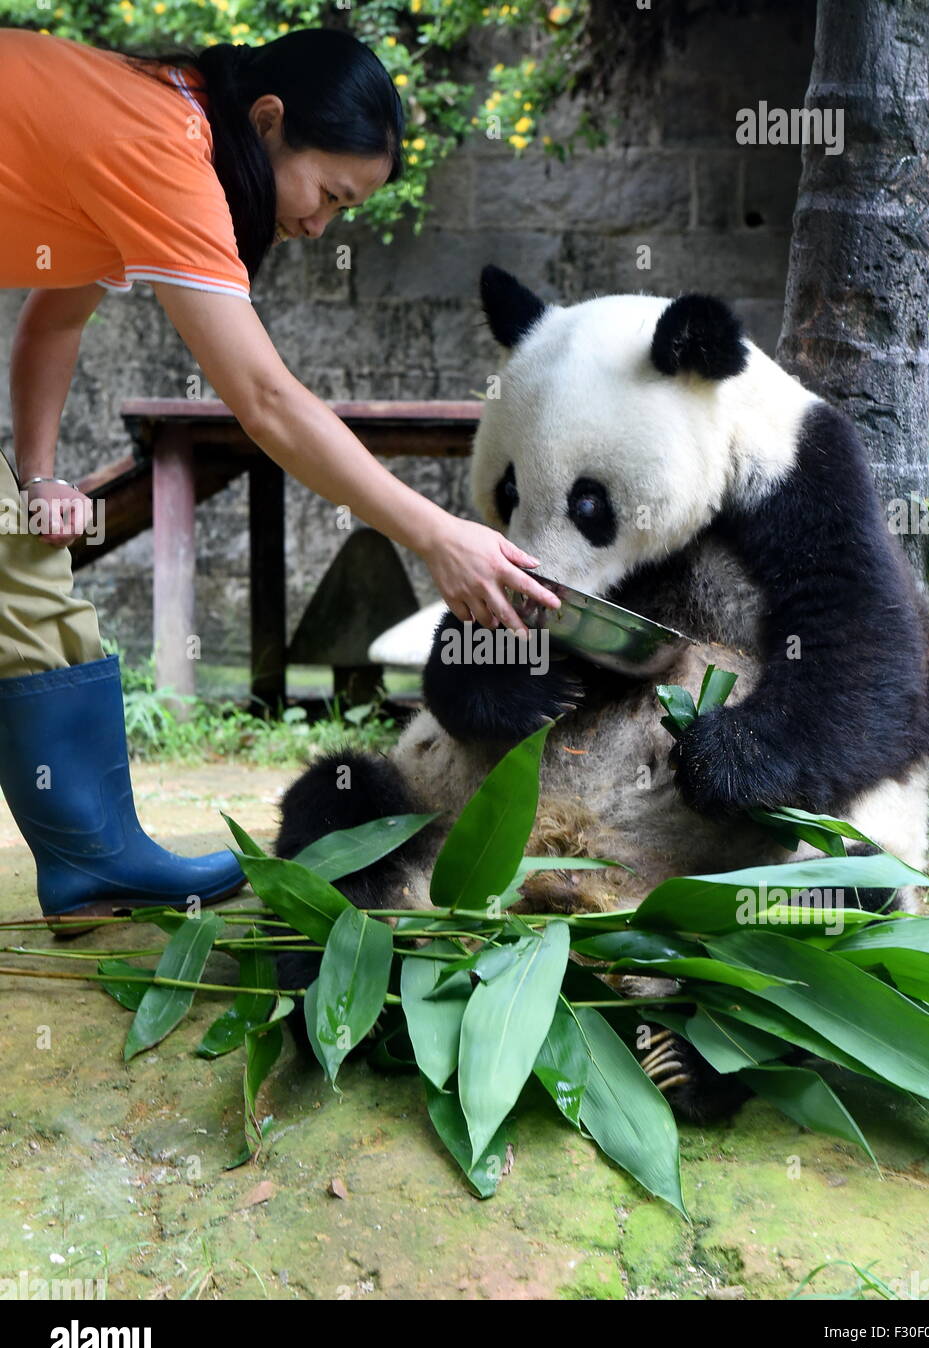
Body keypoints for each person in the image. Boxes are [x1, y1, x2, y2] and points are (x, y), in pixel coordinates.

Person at [0, 25, 559, 927]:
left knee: (22, 570)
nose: (317, 225)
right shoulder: (164, 148)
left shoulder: (153, 135)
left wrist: (37, 478)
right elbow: (265, 398)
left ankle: (92, 862)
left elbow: (55, 320)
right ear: (268, 121)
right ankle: (93, 859)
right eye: (328, 193)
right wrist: (438, 533)